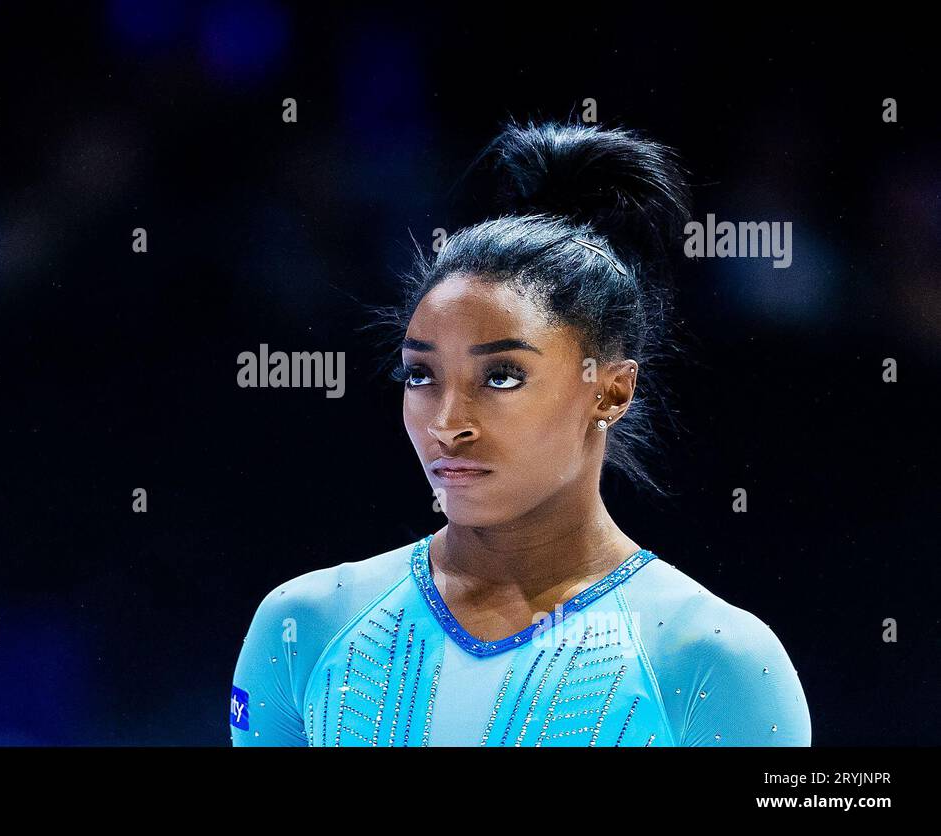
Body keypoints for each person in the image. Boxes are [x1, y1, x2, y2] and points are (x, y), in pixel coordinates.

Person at [229, 120, 811, 746]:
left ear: (609, 390)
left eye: (502, 376)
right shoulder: (304, 627)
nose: (448, 423)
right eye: (421, 375)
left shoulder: (710, 660)